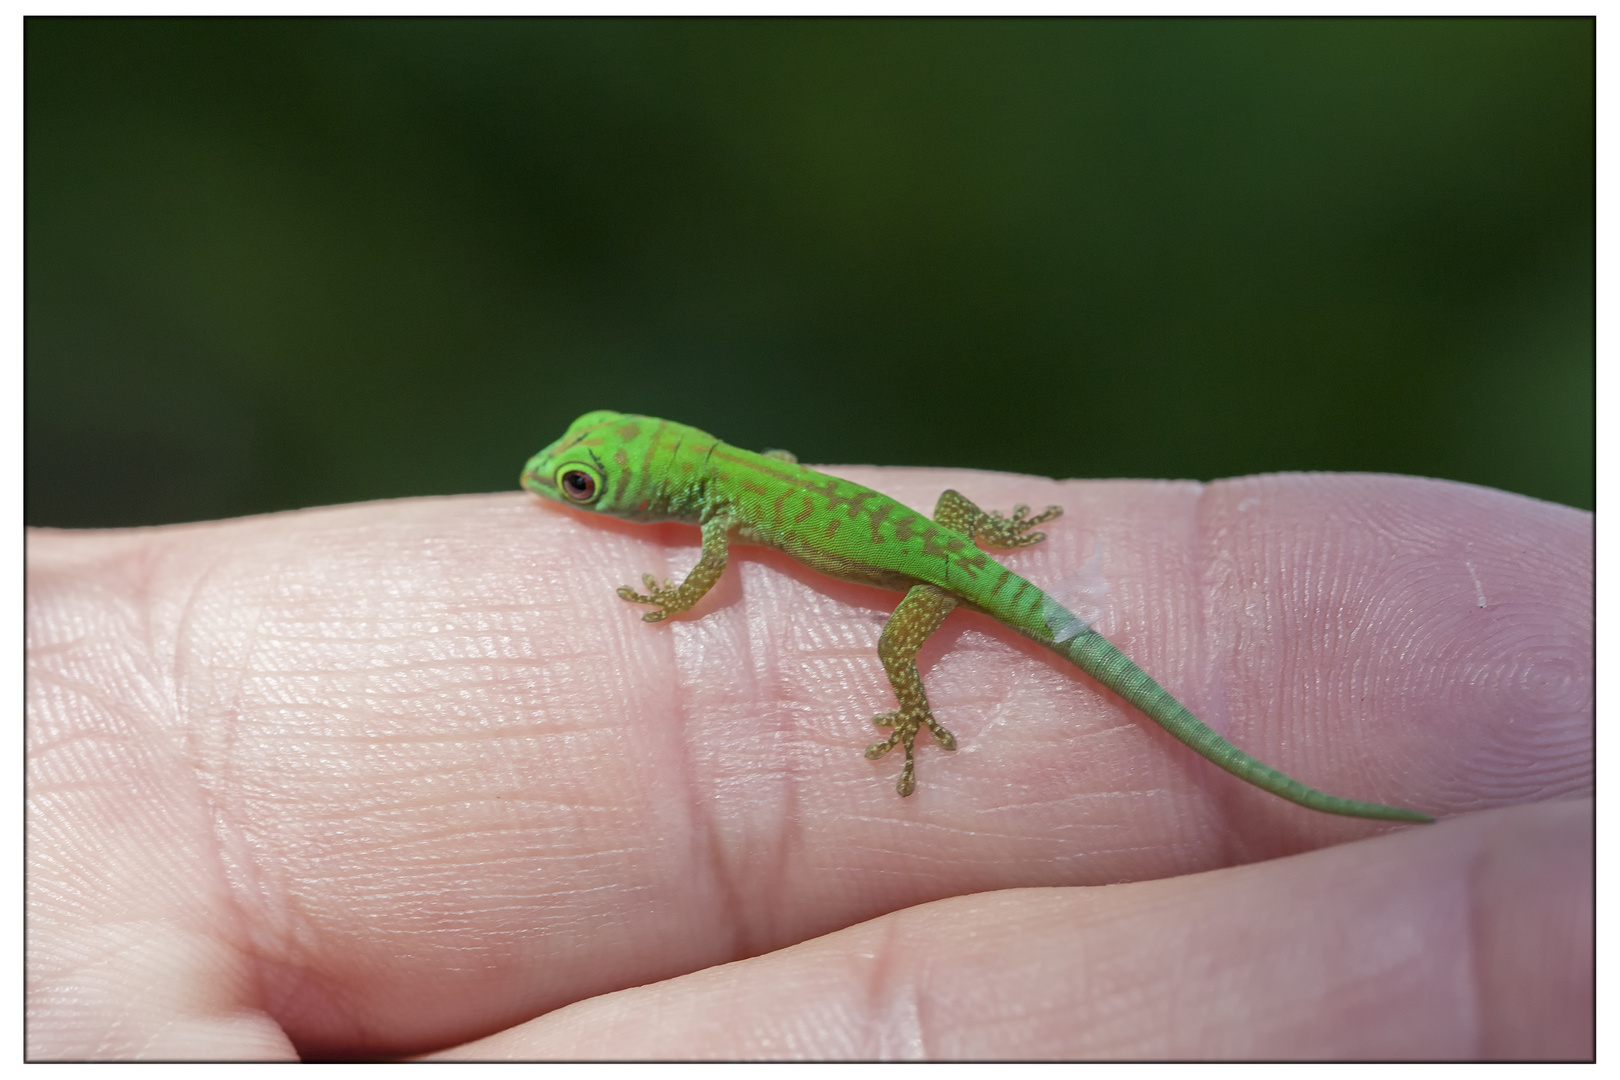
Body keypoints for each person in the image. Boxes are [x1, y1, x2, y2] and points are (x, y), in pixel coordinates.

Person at [25, 471, 1593, 1061]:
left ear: (637, 481)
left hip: (937, 578)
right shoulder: (722, 470)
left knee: (898, 661)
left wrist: (669, 593)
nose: (557, 495)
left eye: (579, 485)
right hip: (946, 540)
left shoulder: (709, 525)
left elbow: (706, 583)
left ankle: (916, 709)